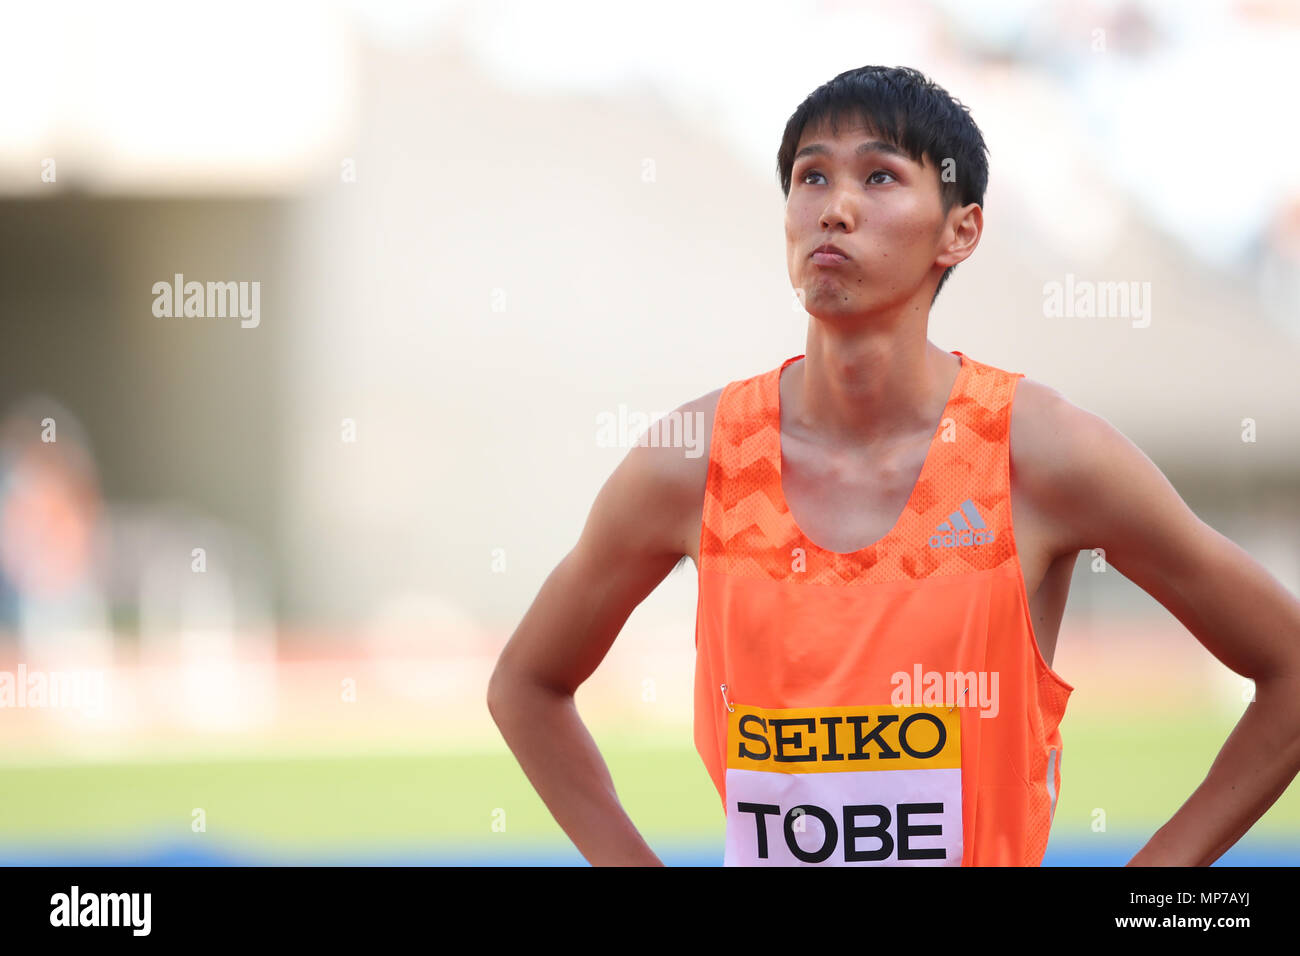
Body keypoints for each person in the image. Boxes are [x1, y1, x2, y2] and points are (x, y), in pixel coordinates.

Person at [487, 65, 1300, 866]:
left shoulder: (1038, 453)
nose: (834, 209)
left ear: (962, 230)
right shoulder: (695, 462)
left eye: (880, 176)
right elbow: (526, 685)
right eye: (811, 178)